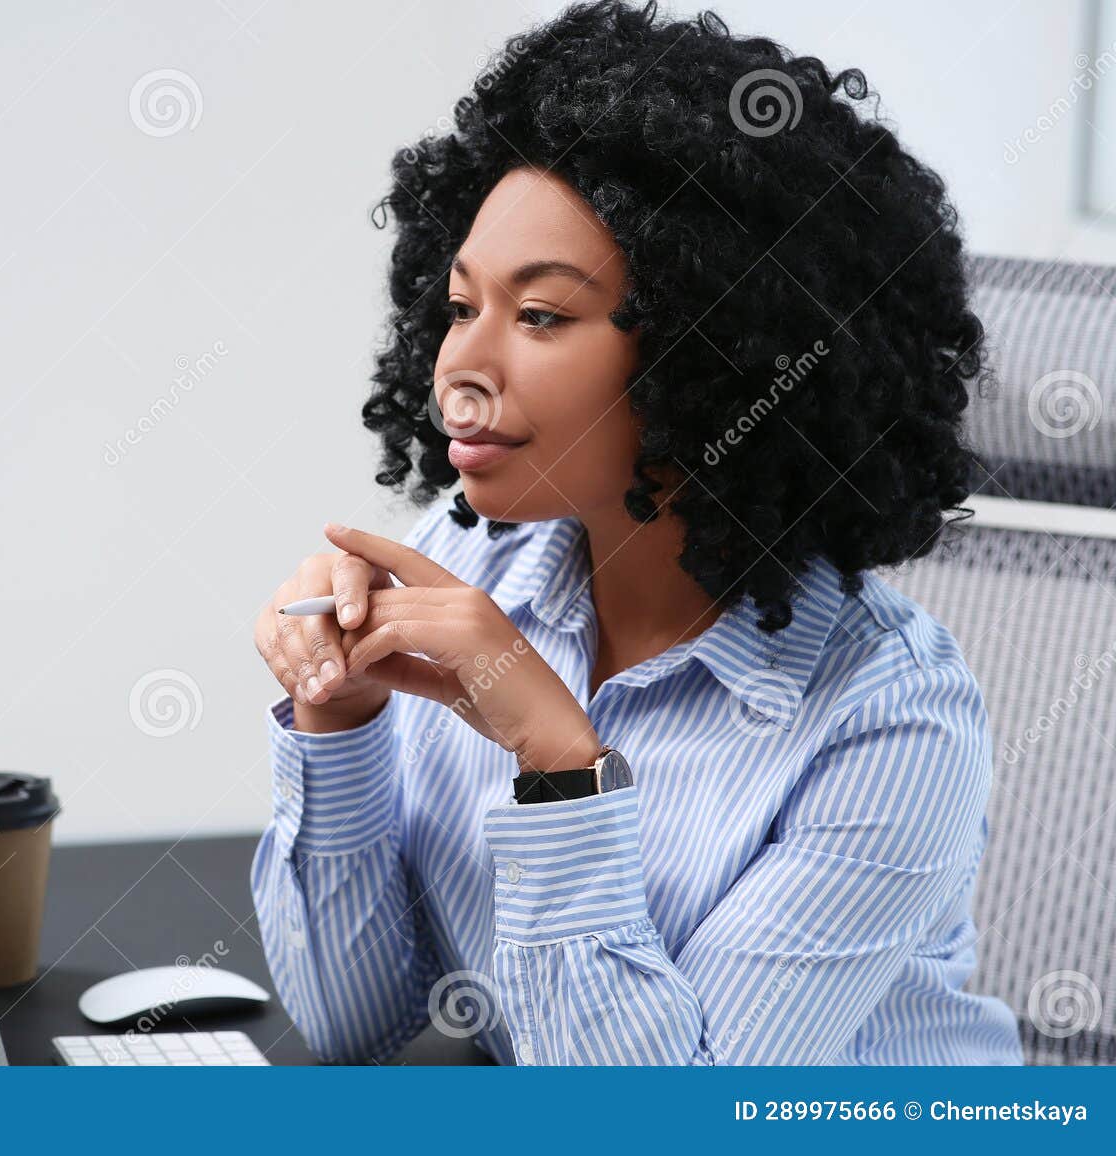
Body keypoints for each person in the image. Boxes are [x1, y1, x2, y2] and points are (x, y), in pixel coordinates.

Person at [249, 0, 1023, 1065]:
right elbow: (355, 1024)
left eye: (542, 316)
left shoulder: (890, 725)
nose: (460, 367)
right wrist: (338, 723)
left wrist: (560, 764)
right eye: (460, 304)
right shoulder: (471, 557)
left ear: (714, 354)